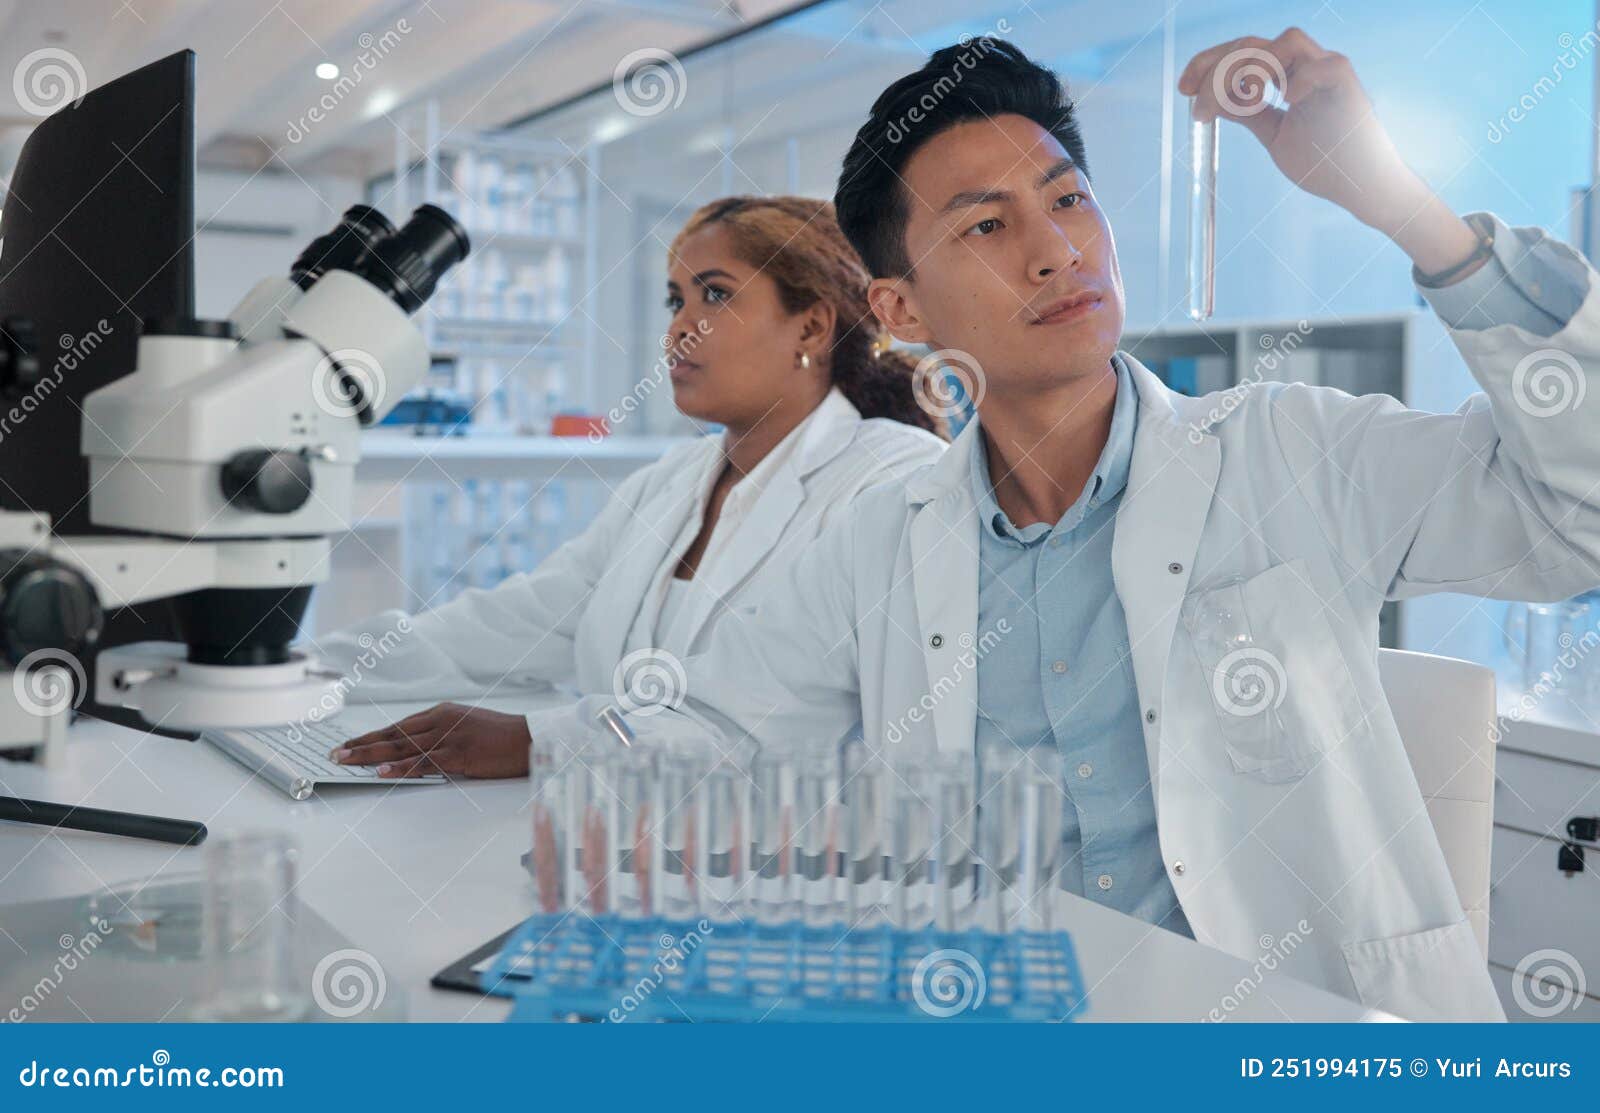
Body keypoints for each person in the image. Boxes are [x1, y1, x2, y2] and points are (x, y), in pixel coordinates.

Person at [525, 32, 1600, 1022]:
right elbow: (722, 728)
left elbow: (1576, 518)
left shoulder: (1288, 452)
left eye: (1068, 200)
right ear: (899, 312)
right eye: (986, 226)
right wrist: (524, 743)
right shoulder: (880, 537)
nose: (1054, 253)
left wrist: (1407, 211)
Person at [314, 195, 947, 778]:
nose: (678, 331)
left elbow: (765, 714)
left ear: (810, 328)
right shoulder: (672, 482)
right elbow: (510, 623)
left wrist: (539, 741)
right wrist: (301, 672)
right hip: (621, 834)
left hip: (792, 852)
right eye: (676, 301)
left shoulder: (891, 478)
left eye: (716, 296)